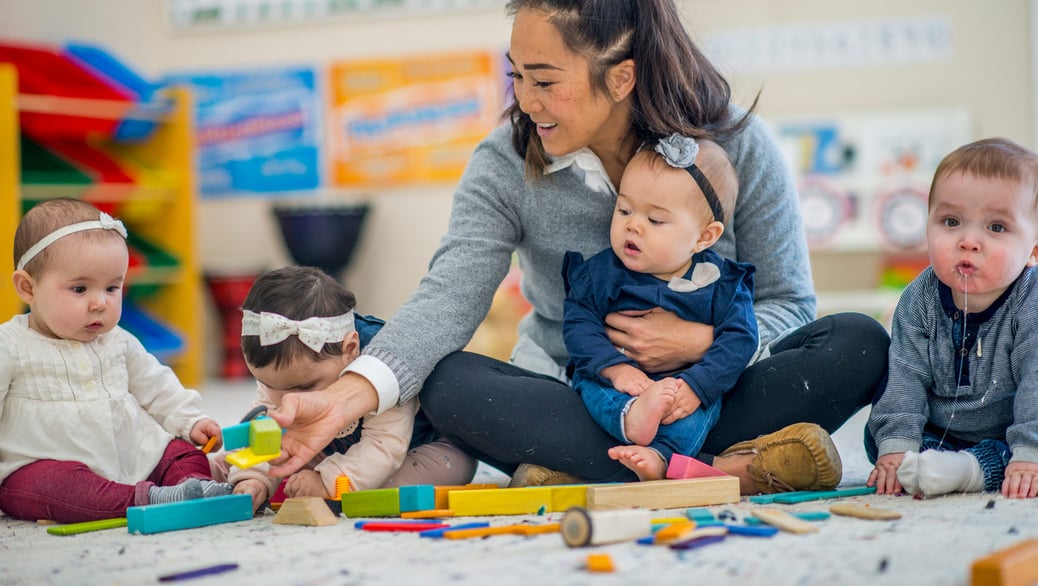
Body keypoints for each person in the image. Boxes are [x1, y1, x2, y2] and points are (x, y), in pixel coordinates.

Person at [268, 0, 890, 496]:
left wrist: (700, 349)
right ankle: (728, 470)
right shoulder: (504, 162)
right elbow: (447, 298)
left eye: (544, 81)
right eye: (516, 77)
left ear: (620, 77)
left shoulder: (737, 145)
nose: (525, 101)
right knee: (448, 381)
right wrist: (348, 392)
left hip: (715, 387)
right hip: (582, 396)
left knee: (860, 342)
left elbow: (789, 301)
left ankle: (602, 470)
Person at [0, 198, 231, 524]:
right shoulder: (9, 345)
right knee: (47, 487)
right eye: (80, 288)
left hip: (131, 454)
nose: (100, 303)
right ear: (27, 287)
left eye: (112, 287)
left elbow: (157, 386)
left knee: (179, 451)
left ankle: (191, 487)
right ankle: (149, 498)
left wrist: (191, 421)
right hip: (45, 462)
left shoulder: (118, 340)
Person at [563, 135, 757, 481]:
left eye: (655, 220)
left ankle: (660, 458)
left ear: (704, 237)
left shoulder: (722, 284)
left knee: (698, 413)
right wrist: (615, 369)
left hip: (684, 384)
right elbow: (579, 326)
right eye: (623, 210)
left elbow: (740, 339)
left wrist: (698, 386)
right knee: (588, 387)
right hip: (617, 382)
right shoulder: (600, 275)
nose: (632, 225)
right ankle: (631, 419)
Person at [210, 266, 476, 512]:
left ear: (349, 350)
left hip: (415, 447)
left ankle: (330, 484)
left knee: (420, 475)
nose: (287, 400)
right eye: (268, 385)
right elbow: (266, 430)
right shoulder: (287, 381)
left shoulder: (383, 362)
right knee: (249, 459)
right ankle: (202, 470)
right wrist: (254, 476)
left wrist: (327, 481)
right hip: (333, 448)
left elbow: (384, 446)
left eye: (304, 387)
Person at [867, 138, 1038, 500]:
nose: (968, 241)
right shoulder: (920, 298)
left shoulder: (1030, 301)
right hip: (939, 431)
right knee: (881, 440)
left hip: (1015, 430)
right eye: (951, 221)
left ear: (1033, 249)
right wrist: (898, 445)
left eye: (996, 227)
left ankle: (973, 470)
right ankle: (940, 465)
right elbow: (904, 376)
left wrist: (1029, 453)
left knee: (1026, 459)